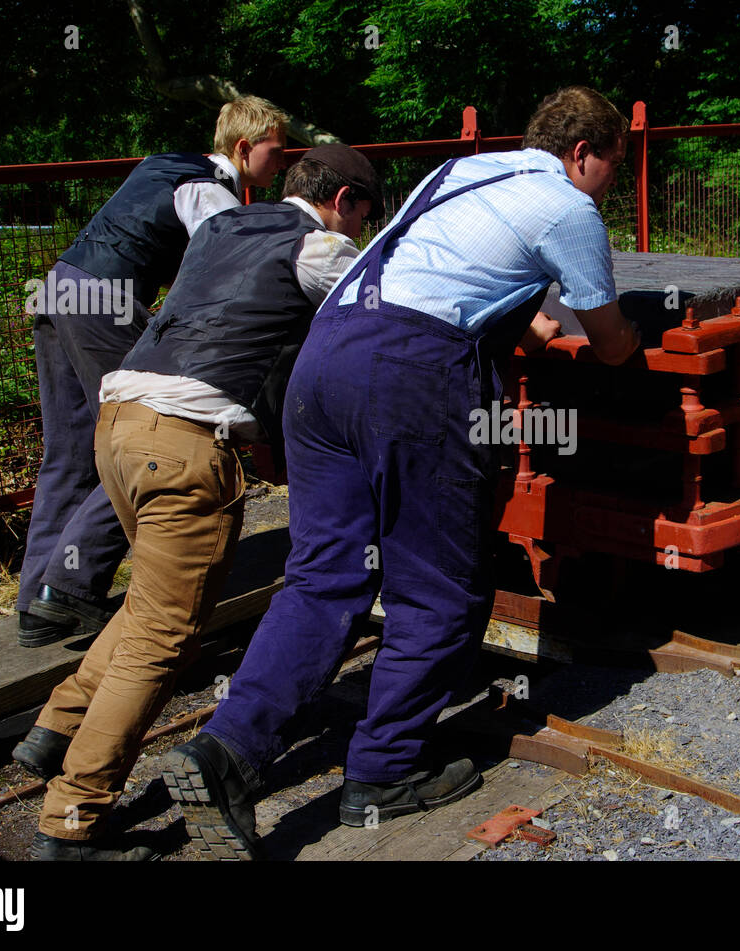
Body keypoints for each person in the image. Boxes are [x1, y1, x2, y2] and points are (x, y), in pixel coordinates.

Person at [162, 86, 641, 860]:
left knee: (325, 578)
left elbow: (494, 296)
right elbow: (611, 341)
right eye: (610, 170)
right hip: (411, 375)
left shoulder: (462, 173)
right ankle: (381, 773)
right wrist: (632, 333)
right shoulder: (568, 207)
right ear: (584, 154)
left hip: (326, 362)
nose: (606, 188)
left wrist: (540, 326)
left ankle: (223, 754)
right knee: (442, 587)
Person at [12, 145, 383, 860]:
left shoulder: (224, 226)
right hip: (183, 444)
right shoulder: (322, 248)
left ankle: (56, 724)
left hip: (119, 421)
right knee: (163, 639)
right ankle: (71, 818)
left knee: (145, 609)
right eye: (365, 212)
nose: (362, 227)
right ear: (343, 201)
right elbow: (385, 312)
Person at [16, 96, 290, 649]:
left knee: (70, 454)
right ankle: (69, 587)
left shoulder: (163, 162)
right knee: (145, 439)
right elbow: (230, 265)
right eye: (275, 152)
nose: (280, 165)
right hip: (103, 302)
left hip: (60, 290)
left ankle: (36, 603)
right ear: (244, 147)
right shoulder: (211, 191)